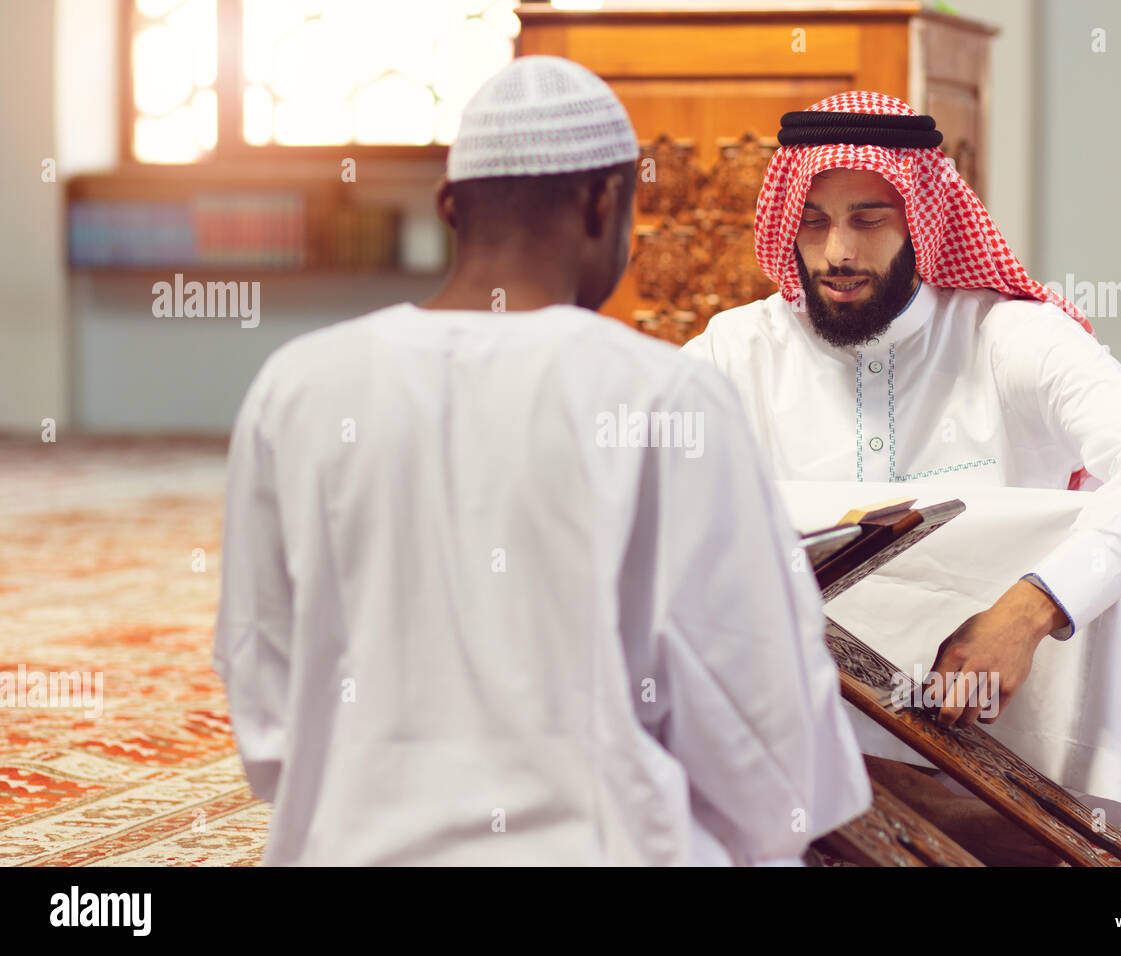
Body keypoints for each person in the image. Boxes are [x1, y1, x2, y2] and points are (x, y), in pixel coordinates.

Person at [213, 56, 869, 866]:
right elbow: (763, 724)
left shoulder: (299, 384)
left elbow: (260, 673)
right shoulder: (662, 397)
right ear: (606, 203)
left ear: (450, 205)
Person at [682, 91, 1121, 860]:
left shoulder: (1010, 337)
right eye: (812, 221)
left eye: (868, 218)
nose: (837, 251)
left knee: (1102, 520)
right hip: (792, 708)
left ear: (922, 218)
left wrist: (1031, 608)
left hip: (996, 718)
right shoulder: (737, 350)